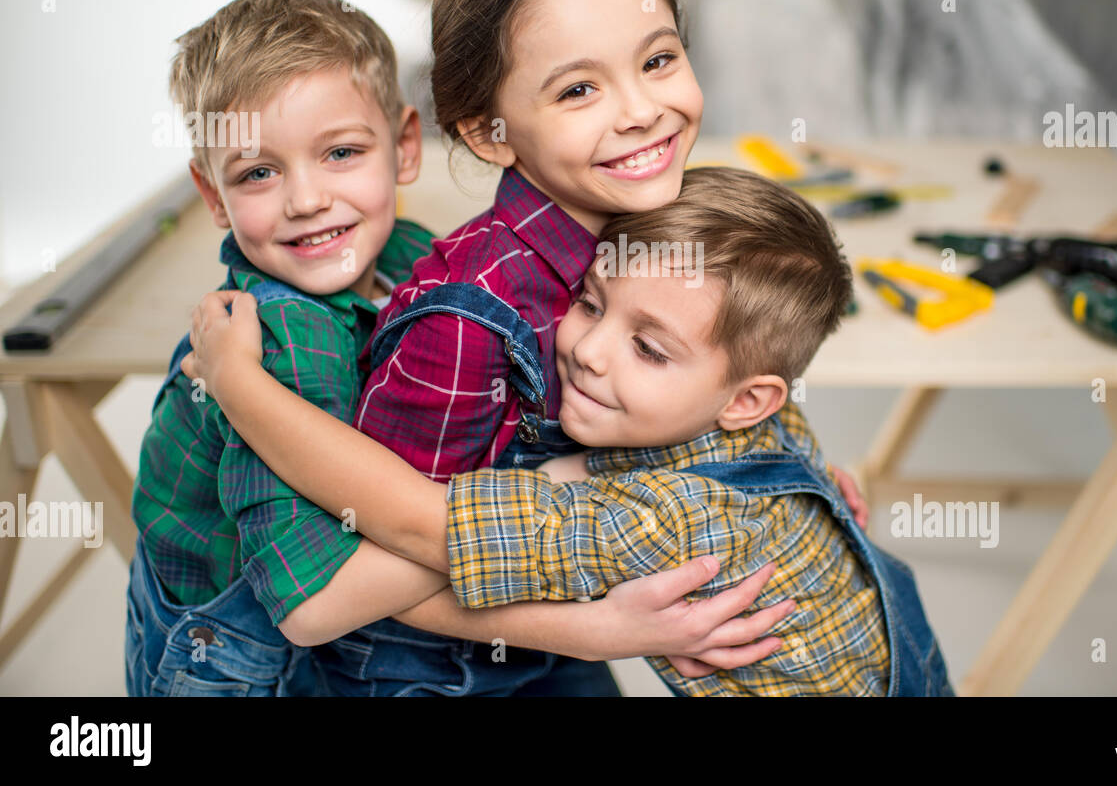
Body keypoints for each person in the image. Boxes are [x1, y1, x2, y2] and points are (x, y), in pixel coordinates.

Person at [128, 0, 780, 698]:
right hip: (233, 658)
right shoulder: (279, 343)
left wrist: (780, 469)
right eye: (258, 172)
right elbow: (314, 608)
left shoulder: (416, 256)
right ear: (212, 194)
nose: (307, 199)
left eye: (341, 151)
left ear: (406, 146)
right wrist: (596, 608)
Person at [183, 167, 953, 696]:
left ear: (746, 398)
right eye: (590, 300)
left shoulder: (669, 521)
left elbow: (414, 527)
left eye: (648, 348)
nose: (587, 348)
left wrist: (237, 381)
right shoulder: (765, 420)